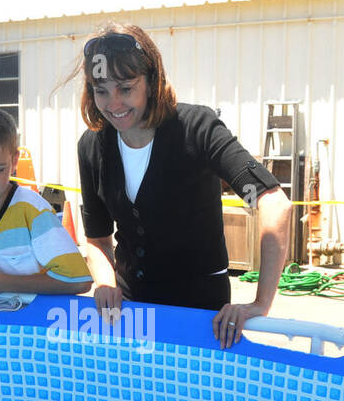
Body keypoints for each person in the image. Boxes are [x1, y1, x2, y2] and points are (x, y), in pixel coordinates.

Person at [72, 23, 292, 348]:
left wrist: (260, 303)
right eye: (101, 90)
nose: (113, 103)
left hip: (202, 311)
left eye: (125, 88)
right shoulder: (92, 146)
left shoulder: (197, 128)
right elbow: (98, 239)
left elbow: (275, 202)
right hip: (132, 310)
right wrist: (105, 284)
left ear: (151, 80)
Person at [0, 107, 92, 297]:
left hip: (35, 324)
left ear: (14, 161)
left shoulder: (31, 209)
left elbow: (78, 280)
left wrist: (3, 283)